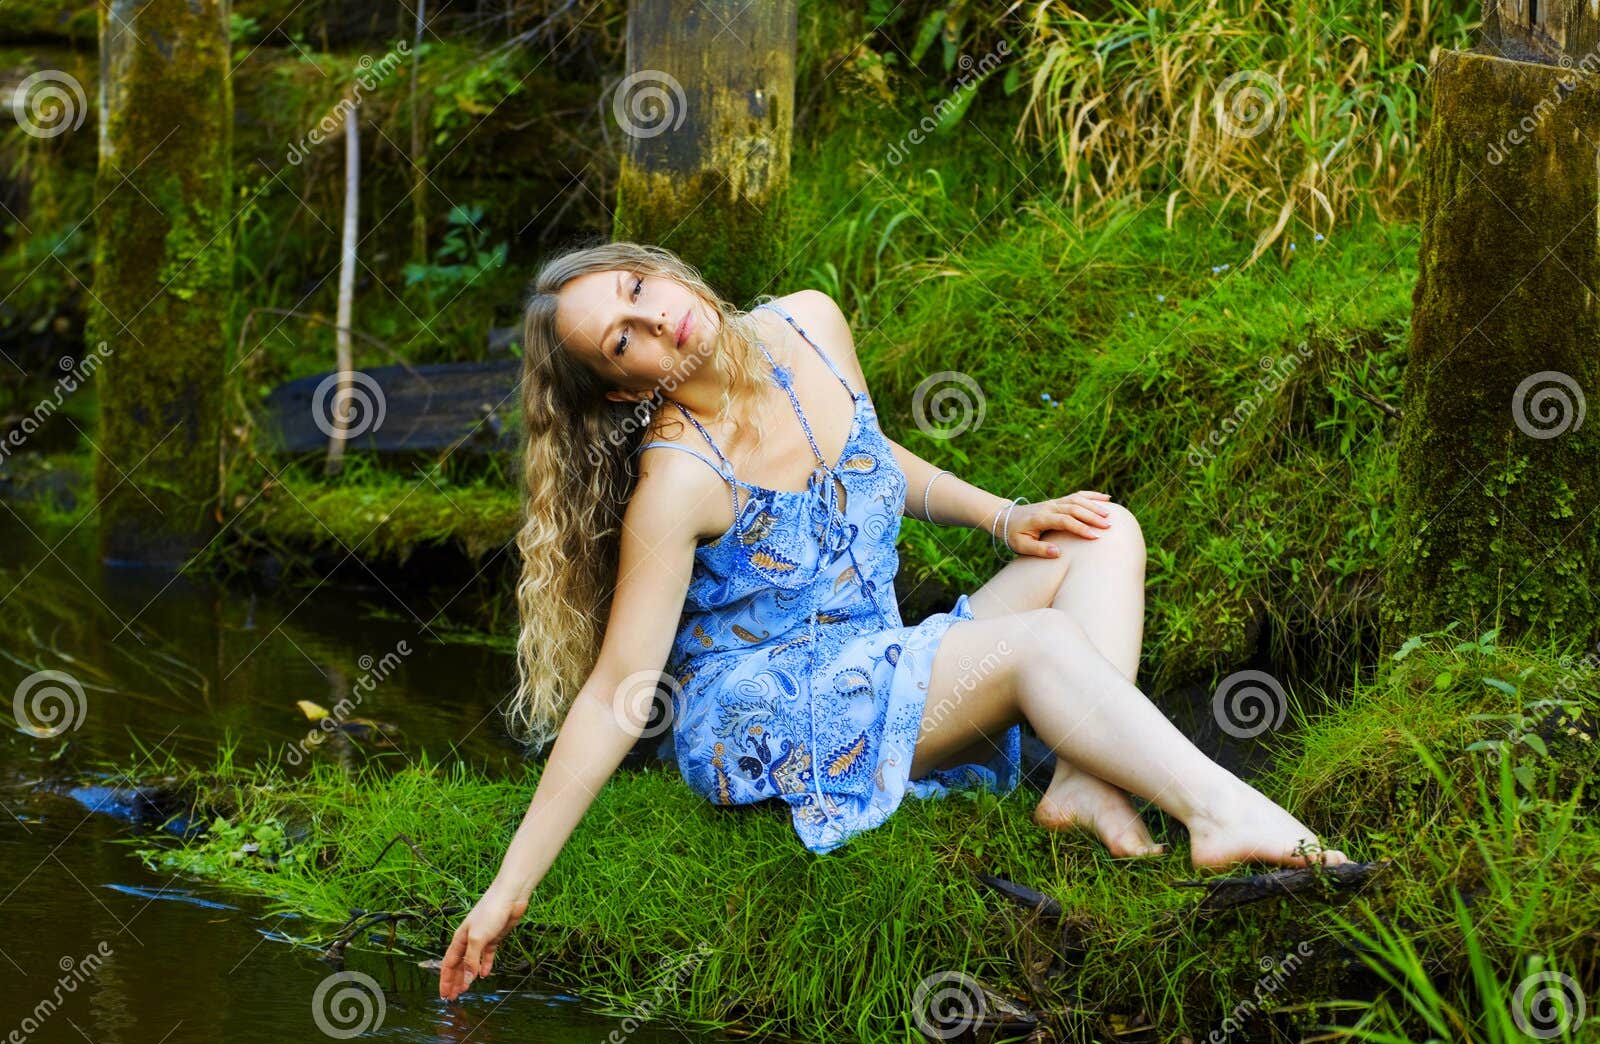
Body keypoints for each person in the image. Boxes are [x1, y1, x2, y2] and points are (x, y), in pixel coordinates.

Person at [438, 241, 1346, 1002]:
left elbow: (871, 459)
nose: (654, 321)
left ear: (662, 268)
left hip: (877, 654)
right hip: (763, 709)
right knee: (1036, 644)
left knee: (1102, 534)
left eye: (639, 291)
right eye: (621, 340)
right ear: (625, 391)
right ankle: (1225, 813)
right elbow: (615, 694)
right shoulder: (679, 480)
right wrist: (507, 889)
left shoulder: (809, 322)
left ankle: (1080, 783)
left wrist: (1002, 514)